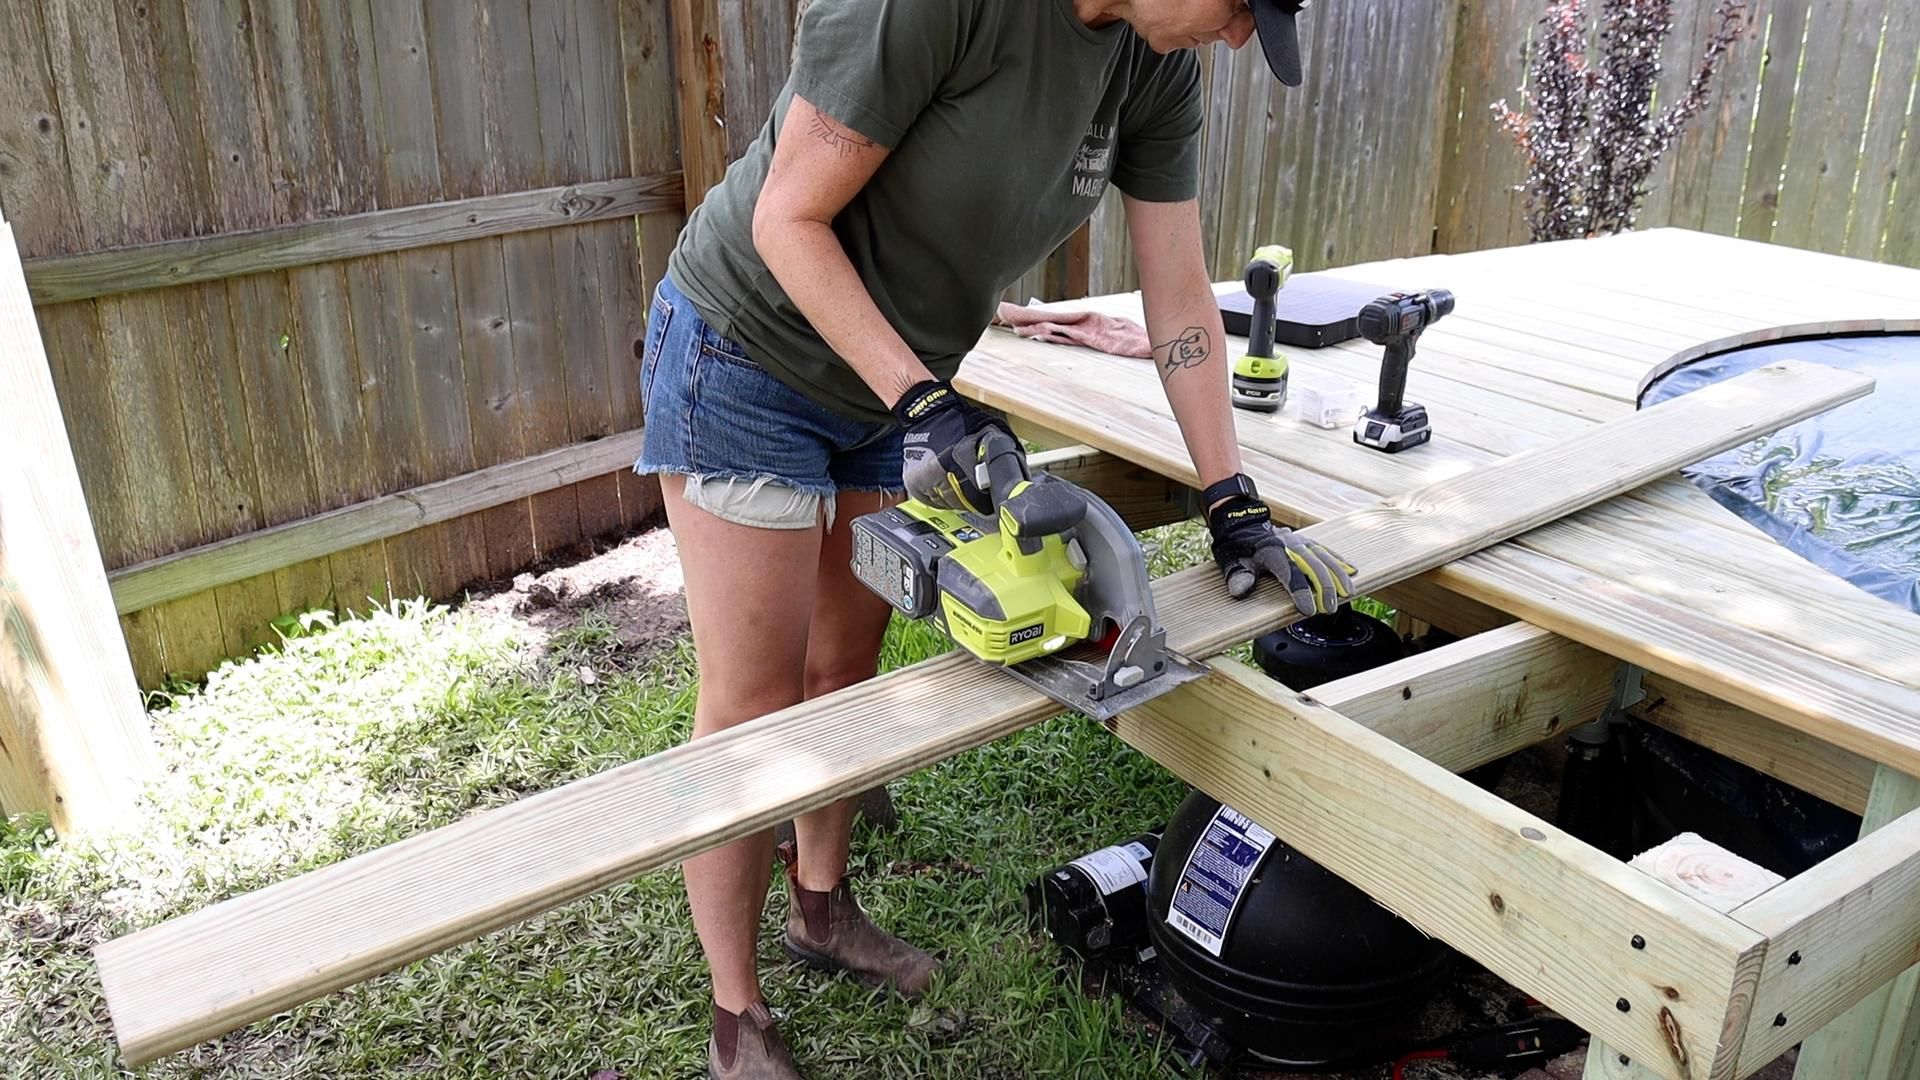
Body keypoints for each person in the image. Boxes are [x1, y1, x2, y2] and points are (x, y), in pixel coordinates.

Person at [632, 1, 1354, 1075]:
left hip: (897, 380)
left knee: (845, 662)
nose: (1240, 38)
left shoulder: (1153, 63)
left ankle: (820, 911)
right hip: (749, 354)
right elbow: (788, 218)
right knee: (753, 702)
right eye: (1241, 8)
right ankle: (737, 1020)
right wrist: (926, 404)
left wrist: (1230, 497)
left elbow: (1177, 283)